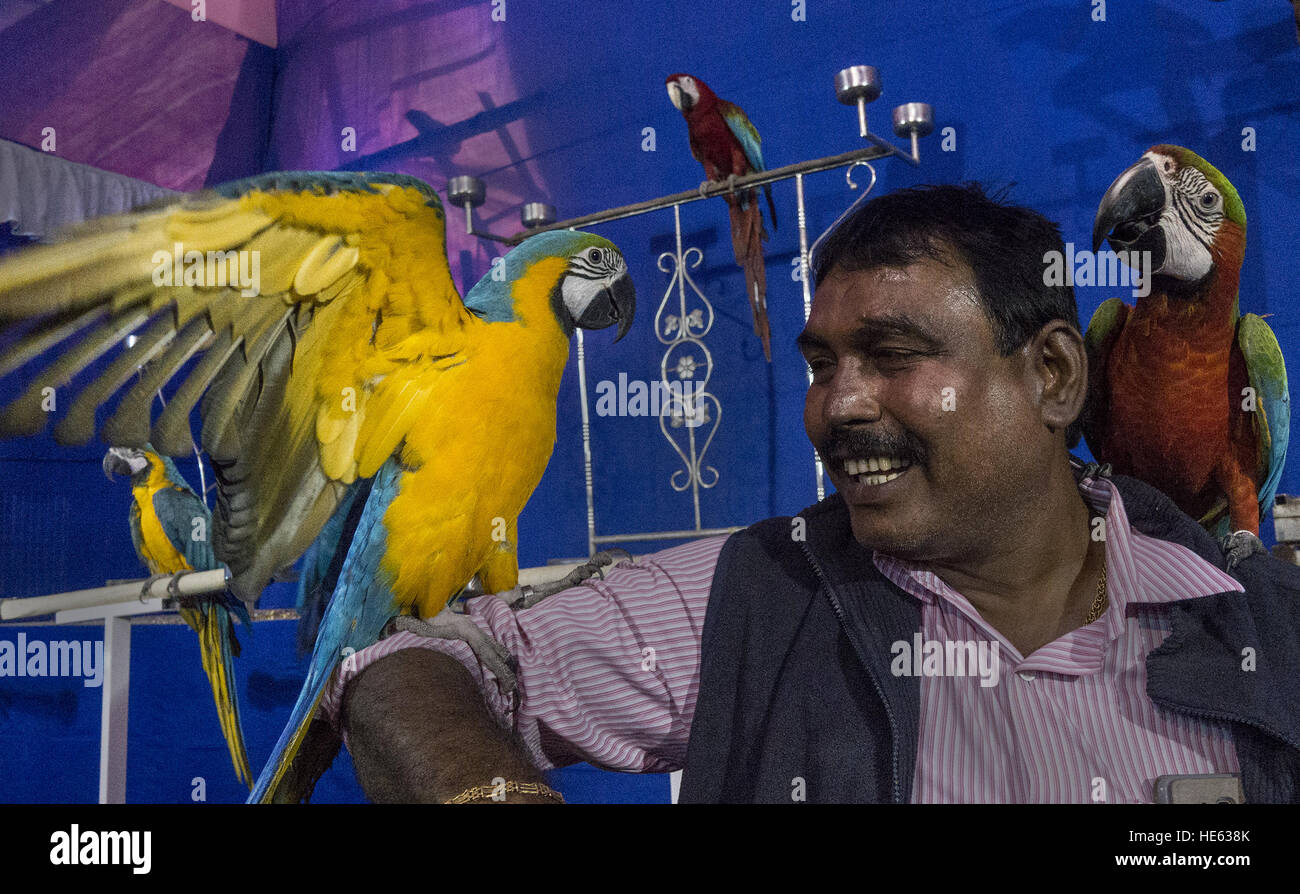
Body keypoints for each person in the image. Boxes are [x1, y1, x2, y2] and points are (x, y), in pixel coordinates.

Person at [321, 183, 1300, 804]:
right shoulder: (759, 594)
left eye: (893, 356)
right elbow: (409, 658)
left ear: (1051, 376)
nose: (837, 407)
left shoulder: (1265, 630)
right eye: (821, 365)